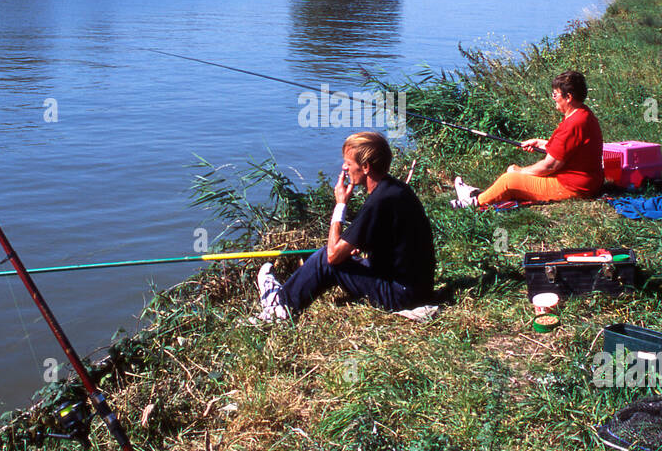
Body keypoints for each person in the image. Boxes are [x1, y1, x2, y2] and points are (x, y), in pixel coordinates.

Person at [252, 131, 437, 324]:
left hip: (402, 295)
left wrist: (340, 204)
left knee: (326, 258)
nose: (344, 167)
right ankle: (284, 296)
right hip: (417, 288)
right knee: (342, 255)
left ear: (365, 167)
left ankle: (280, 309)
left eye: (348, 163)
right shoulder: (395, 189)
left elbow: (332, 255)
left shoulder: (379, 201)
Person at [452, 70, 603, 207]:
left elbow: (549, 166)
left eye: (555, 94)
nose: (553, 98)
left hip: (575, 187)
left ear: (568, 97)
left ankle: (472, 202)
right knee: (513, 174)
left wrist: (519, 171)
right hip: (586, 182)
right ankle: (480, 195)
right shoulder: (582, 114)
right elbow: (566, 148)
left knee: (509, 180)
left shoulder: (574, 123)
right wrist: (539, 143)